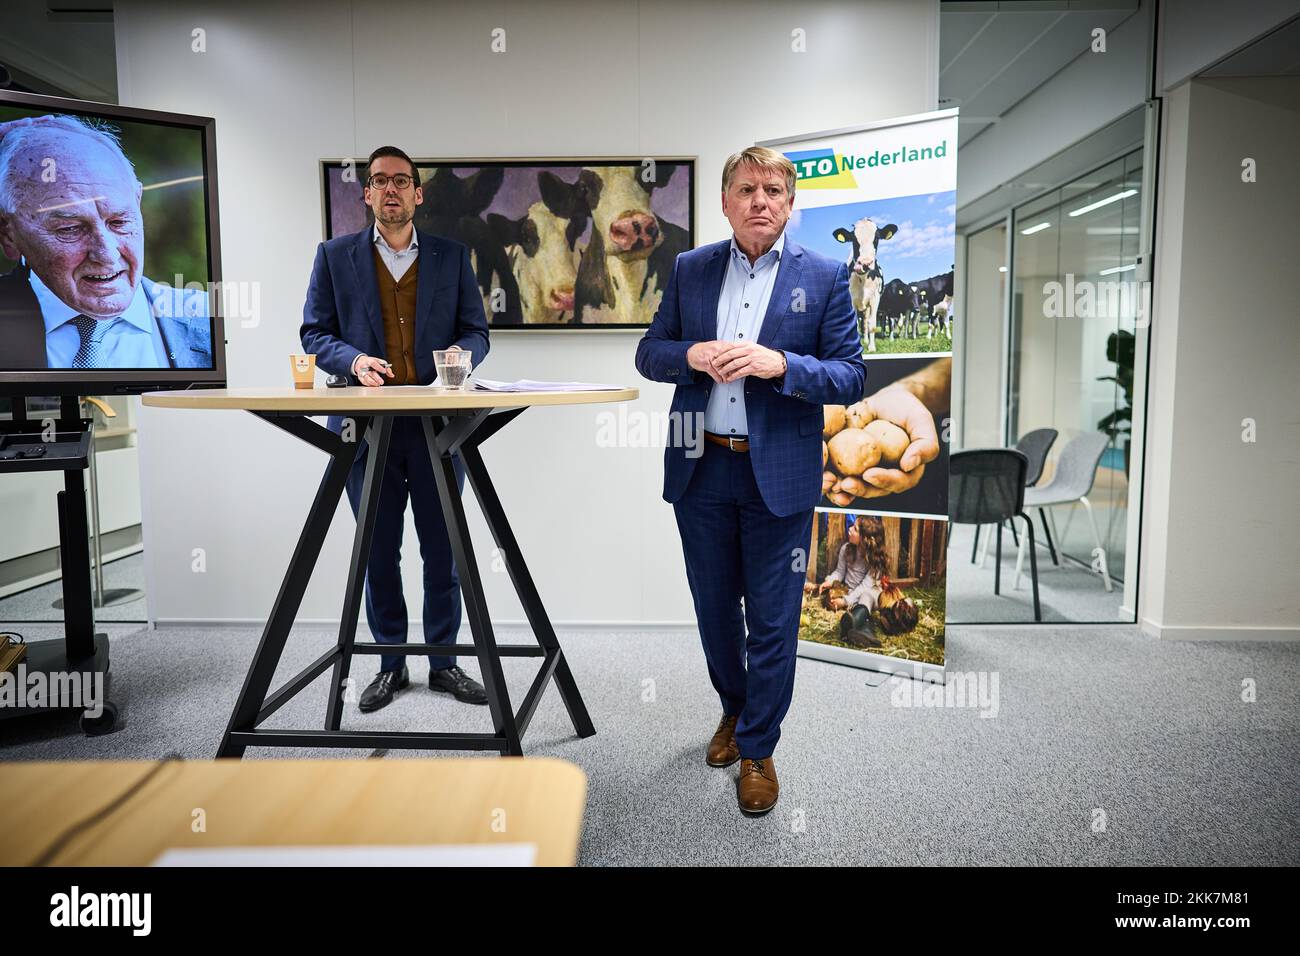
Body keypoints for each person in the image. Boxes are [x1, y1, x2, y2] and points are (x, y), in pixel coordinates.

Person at [635, 146, 866, 815]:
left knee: (771, 621)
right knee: (715, 616)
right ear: (726, 201)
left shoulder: (822, 276)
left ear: (790, 203)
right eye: (746, 188)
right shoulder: (690, 269)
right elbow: (650, 353)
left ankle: (759, 748)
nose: (759, 200)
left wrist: (780, 364)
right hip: (700, 468)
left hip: (780, 477)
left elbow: (851, 376)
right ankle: (734, 713)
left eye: (773, 190)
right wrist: (691, 355)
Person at [301, 145, 490, 712]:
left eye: (401, 181)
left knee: (444, 550)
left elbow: (478, 331)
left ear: (418, 193)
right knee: (378, 554)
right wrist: (354, 362)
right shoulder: (334, 256)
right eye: (379, 181)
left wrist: (464, 354)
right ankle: (389, 664)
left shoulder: (453, 257)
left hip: (439, 431)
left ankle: (445, 664)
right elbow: (314, 333)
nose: (390, 189)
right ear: (366, 193)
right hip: (367, 432)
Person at [0, 114, 210, 369]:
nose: (107, 254)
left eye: (119, 222)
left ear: (138, 202)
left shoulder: (210, 321)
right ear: (8, 234)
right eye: (70, 228)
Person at [818, 516, 887, 647]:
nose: (849, 529)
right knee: (830, 598)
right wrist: (830, 581)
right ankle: (864, 633)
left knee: (866, 595)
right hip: (849, 592)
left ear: (865, 538)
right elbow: (839, 572)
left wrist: (845, 601)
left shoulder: (875, 561)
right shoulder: (846, 549)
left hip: (869, 596)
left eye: (855, 529)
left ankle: (852, 623)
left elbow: (864, 587)